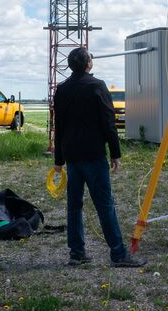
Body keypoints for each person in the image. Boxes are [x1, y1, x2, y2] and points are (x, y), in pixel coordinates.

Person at [53, 46, 146, 268]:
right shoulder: (97, 86)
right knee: (104, 205)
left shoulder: (62, 89)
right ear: (88, 64)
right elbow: (109, 122)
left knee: (74, 206)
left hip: (72, 156)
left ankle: (76, 253)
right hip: (93, 155)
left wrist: (58, 159)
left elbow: (60, 126)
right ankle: (118, 253)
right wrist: (115, 153)